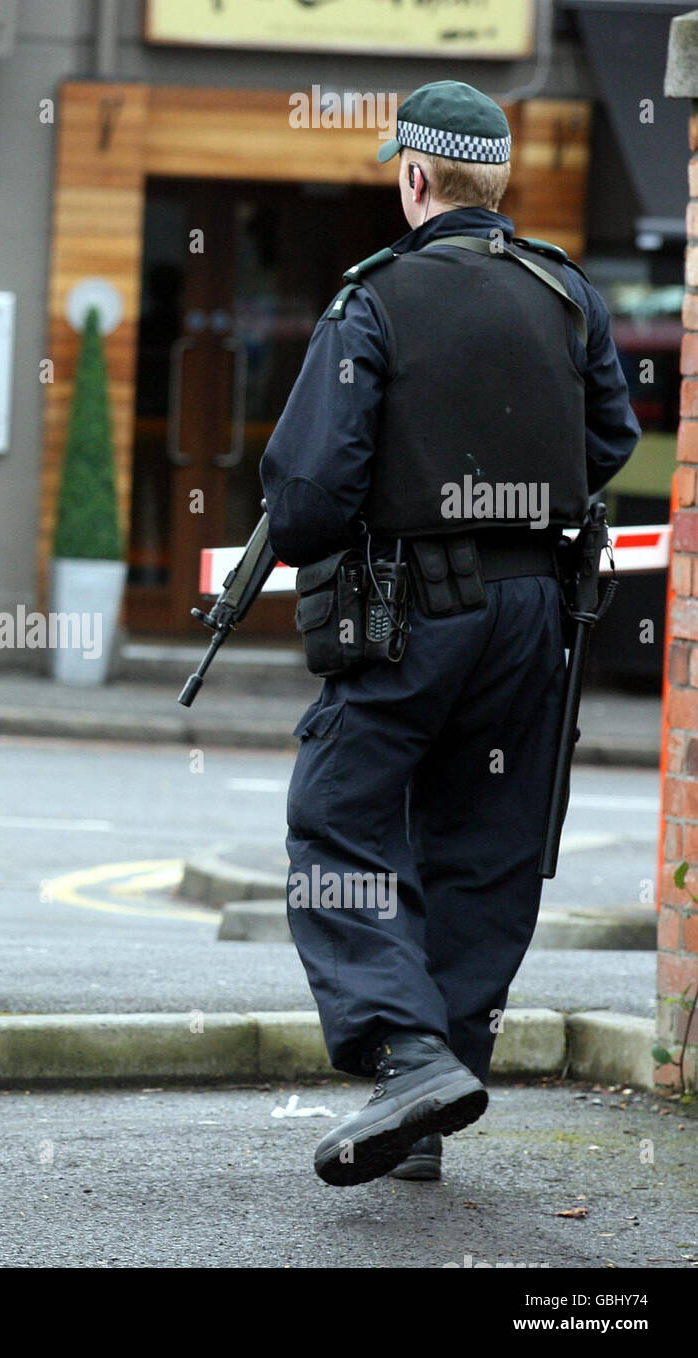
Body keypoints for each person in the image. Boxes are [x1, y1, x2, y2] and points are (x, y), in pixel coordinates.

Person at [258, 83, 639, 1186]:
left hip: (411, 612)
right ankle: (433, 1096)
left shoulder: (373, 299)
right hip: (534, 615)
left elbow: (307, 500)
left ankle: (404, 1050)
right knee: (485, 844)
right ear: (498, 183)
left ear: (415, 177)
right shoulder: (564, 291)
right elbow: (609, 437)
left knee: (337, 820)